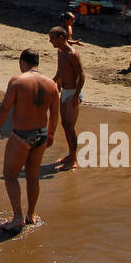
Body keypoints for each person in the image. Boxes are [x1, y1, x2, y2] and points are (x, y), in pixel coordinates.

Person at [0, 49, 61, 233]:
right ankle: (31, 215)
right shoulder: (51, 84)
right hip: (42, 134)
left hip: (22, 135)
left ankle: (17, 217)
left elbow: (5, 109)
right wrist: (51, 134)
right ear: (37, 62)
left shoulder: (17, 81)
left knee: (11, 175)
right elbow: (54, 114)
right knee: (33, 175)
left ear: (23, 62)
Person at [48, 27, 84, 171]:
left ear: (60, 39)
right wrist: (52, 83)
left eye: (52, 38)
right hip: (64, 91)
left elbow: (82, 75)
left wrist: (76, 96)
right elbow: (60, 71)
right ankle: (70, 154)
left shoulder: (72, 54)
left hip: (74, 93)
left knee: (70, 126)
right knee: (64, 125)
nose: (50, 41)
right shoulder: (60, 52)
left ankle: (73, 160)